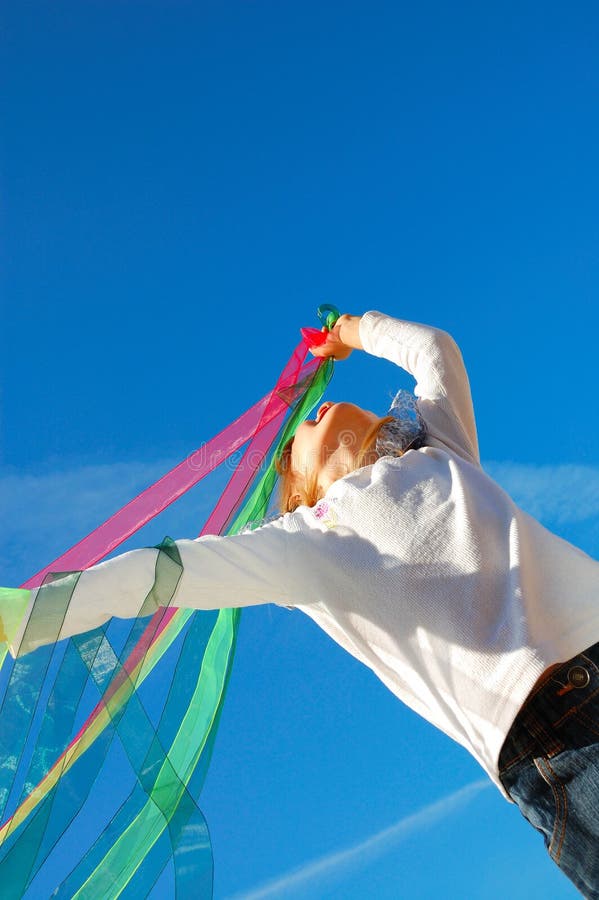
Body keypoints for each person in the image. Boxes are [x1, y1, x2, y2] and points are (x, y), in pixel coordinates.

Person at [6, 312, 599, 897]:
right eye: (294, 443)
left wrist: (353, 330)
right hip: (553, 741)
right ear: (301, 488)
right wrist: (28, 615)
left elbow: (435, 351)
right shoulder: (305, 541)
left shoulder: (440, 448)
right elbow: (166, 574)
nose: (308, 418)